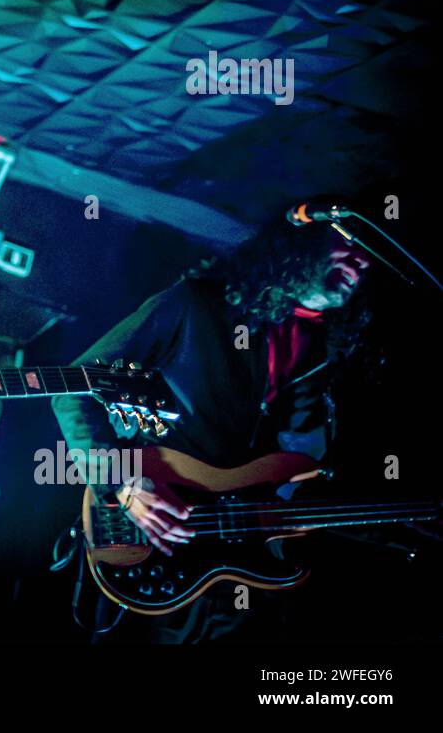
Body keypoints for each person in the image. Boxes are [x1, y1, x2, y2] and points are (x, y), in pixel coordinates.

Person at [52, 209, 373, 641]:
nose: (364, 259)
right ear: (304, 238)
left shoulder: (327, 352)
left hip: (240, 569)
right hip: (155, 536)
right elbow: (75, 387)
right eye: (350, 241)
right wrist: (124, 484)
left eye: (369, 250)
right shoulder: (196, 304)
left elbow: (297, 462)